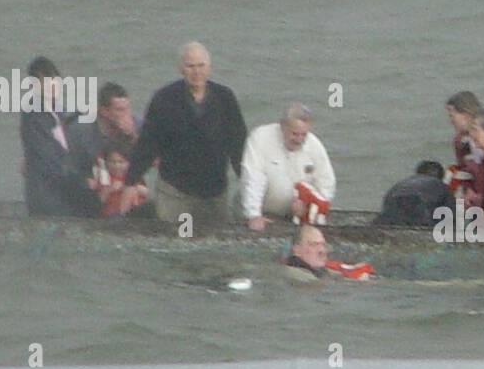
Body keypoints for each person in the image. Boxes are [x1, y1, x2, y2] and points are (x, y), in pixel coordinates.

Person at [122, 42, 248, 226]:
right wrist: (130, 183)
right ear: (181, 69)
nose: (196, 72)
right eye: (190, 66)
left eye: (201, 66)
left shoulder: (225, 98)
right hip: (175, 194)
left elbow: (238, 145)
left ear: (209, 67)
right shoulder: (164, 99)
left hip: (215, 194)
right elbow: (147, 145)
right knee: (178, 243)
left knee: (213, 246)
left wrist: (247, 183)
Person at [18, 57, 99, 217]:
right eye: (45, 83)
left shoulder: (55, 110)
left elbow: (62, 131)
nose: (52, 87)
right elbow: (50, 160)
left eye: (54, 80)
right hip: (47, 198)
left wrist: (84, 113)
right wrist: (82, 183)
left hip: (63, 191)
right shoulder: (34, 116)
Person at [241, 102, 336, 230]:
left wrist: (310, 207)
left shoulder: (314, 145)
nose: (299, 140)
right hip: (264, 212)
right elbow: (253, 179)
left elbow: (326, 183)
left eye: (304, 135)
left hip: (298, 216)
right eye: (294, 134)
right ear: (282, 127)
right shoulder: (260, 138)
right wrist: (253, 214)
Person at [375, 161, 454, 227]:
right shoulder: (441, 186)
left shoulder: (401, 184)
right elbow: (452, 214)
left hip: (390, 210)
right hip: (419, 211)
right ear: (441, 177)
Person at [445, 91, 484, 198]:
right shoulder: (460, 141)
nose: (451, 121)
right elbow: (464, 170)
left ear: (465, 116)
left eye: (452, 116)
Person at [94, 142, 140, 218]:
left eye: (121, 162)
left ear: (129, 163)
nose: (117, 166)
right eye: (113, 162)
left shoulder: (132, 177)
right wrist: (109, 190)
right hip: (107, 217)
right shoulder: (104, 177)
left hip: (131, 216)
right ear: (106, 163)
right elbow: (98, 202)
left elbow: (144, 193)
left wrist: (135, 188)